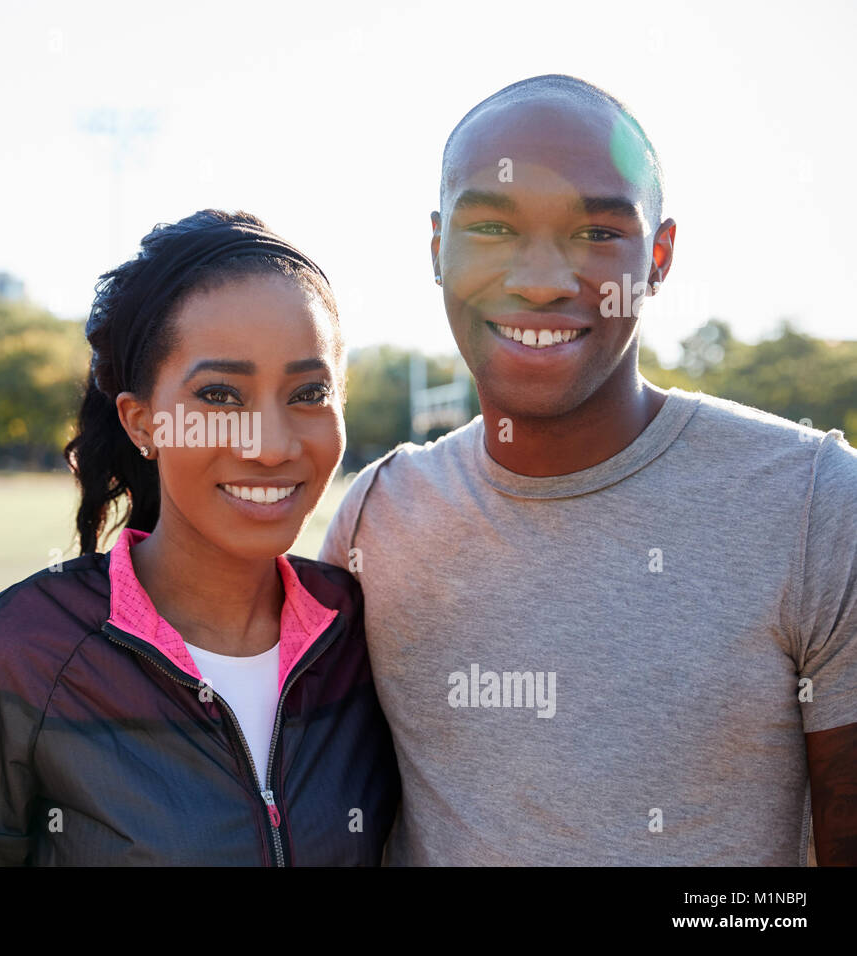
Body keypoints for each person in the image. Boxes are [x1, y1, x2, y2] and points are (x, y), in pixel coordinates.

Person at [319, 74, 857, 865]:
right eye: (493, 228)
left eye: (599, 234)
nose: (541, 281)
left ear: (660, 256)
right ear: (439, 251)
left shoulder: (814, 504)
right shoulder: (378, 518)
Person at [0, 209, 400, 865]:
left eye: (309, 392)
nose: (272, 445)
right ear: (142, 423)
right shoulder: (14, 659)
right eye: (220, 396)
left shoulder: (365, 633)